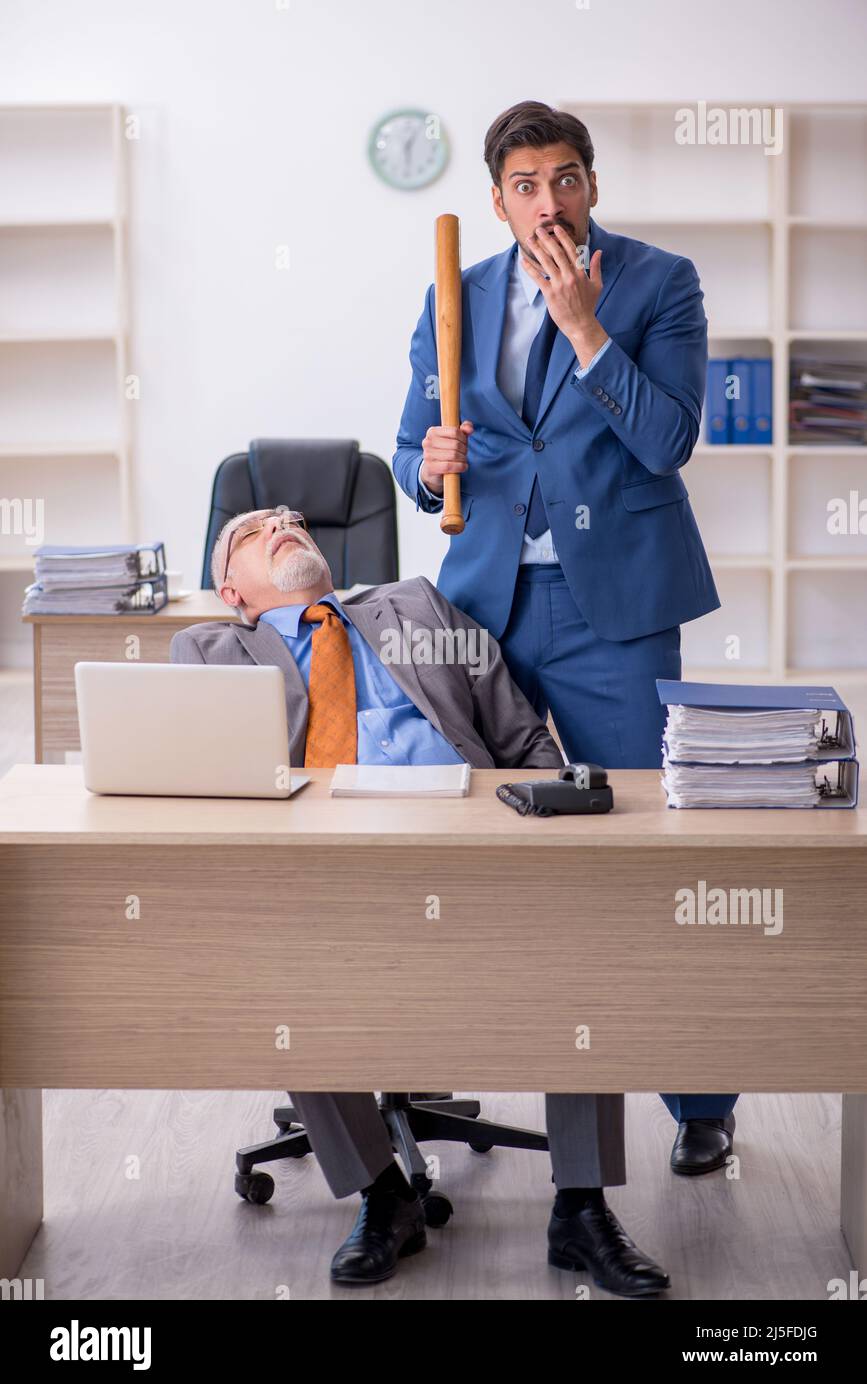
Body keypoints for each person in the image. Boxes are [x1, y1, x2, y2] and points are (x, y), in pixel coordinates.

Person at [171, 505, 670, 1296]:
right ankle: (383, 1196)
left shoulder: (415, 605)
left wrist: (552, 832)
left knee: (582, 958)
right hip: (321, 875)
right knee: (281, 976)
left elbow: (520, 740)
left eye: (292, 518)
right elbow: (201, 788)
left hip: (466, 847)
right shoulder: (209, 651)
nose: (285, 522)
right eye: (257, 527)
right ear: (230, 589)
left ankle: (580, 1207)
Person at [392, 99, 737, 1177]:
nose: (551, 200)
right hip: (482, 609)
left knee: (643, 856)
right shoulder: (456, 292)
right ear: (499, 202)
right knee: (470, 857)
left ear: (594, 185)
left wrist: (586, 325)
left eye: (569, 178)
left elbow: (670, 439)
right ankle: (452, 1063)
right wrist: (431, 460)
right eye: (529, 185)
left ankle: (699, 1097)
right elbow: (410, 448)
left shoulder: (657, 283)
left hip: (618, 610)